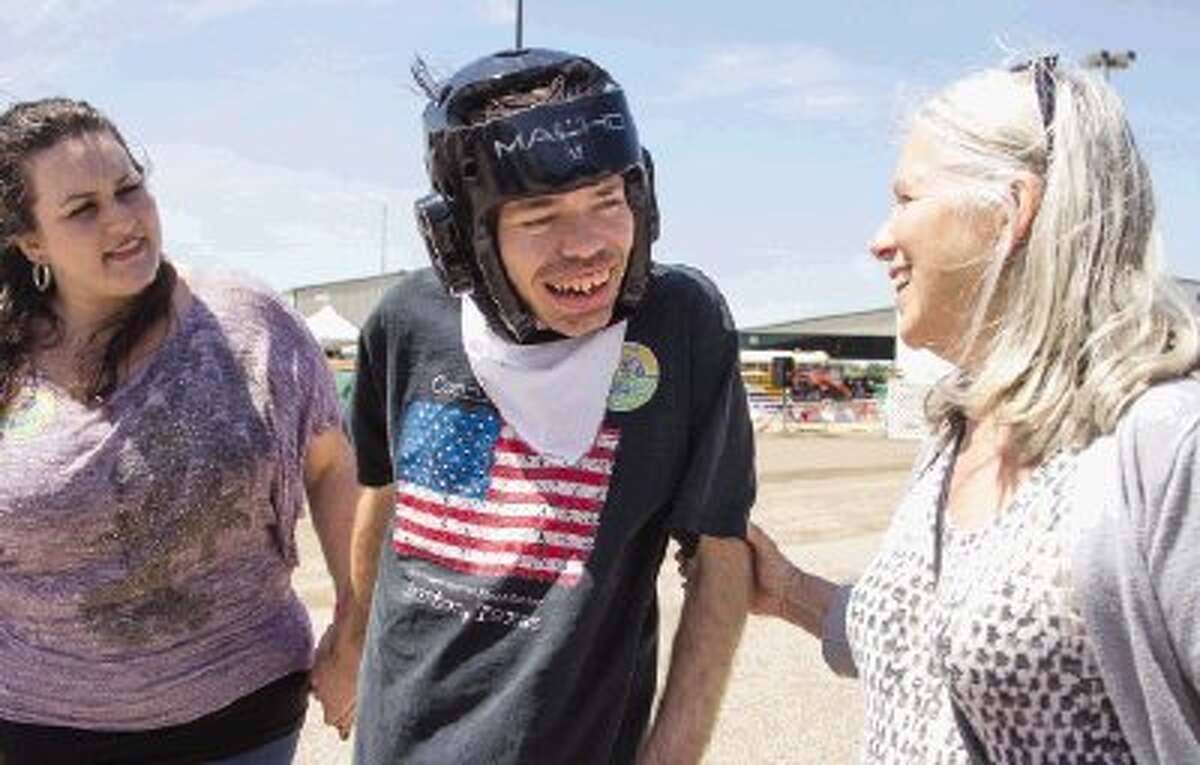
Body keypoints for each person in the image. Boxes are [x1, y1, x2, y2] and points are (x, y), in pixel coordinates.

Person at [744, 56, 1200, 762]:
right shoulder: (959, 429)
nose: (880, 239)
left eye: (906, 198)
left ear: (1009, 211)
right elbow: (930, 648)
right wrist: (788, 592)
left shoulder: (1165, 442)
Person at [328, 48, 755, 764]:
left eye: (607, 202)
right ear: (459, 238)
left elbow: (720, 553)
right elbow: (385, 494)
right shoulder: (406, 321)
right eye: (539, 216)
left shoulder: (681, 324)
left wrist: (671, 755)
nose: (586, 248)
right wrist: (351, 639)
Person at [0, 98, 359, 763]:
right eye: (82, 209)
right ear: (32, 242)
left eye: (128, 187)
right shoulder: (8, 358)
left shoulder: (247, 318)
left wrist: (355, 621)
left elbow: (333, 464)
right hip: (43, 728)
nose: (122, 219)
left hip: (244, 719)